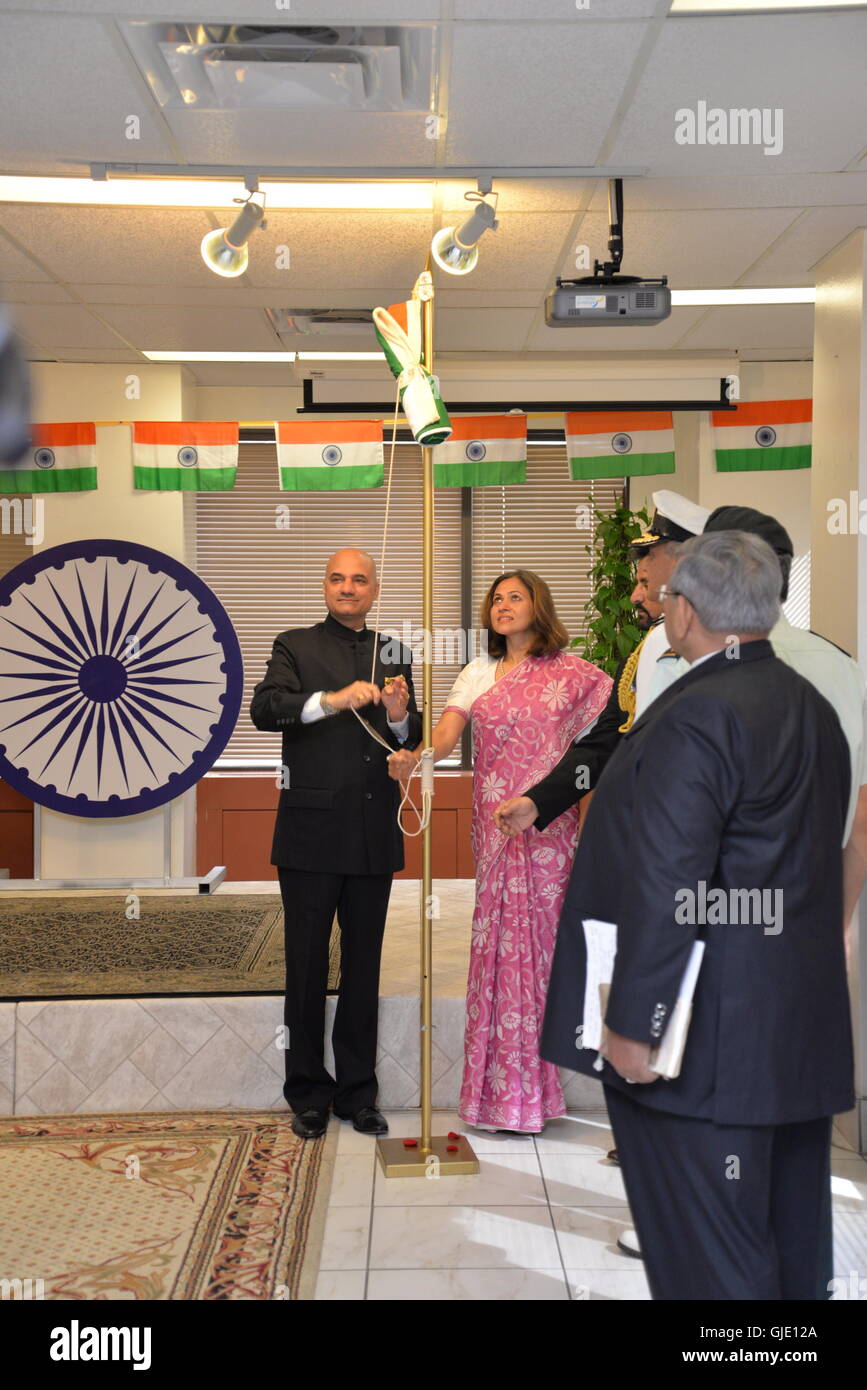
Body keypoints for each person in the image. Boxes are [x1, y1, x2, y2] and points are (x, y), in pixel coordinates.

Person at [541, 531, 854, 1300]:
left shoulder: (697, 714)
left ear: (685, 613)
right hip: (789, 1033)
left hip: (704, 1046)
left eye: (664, 595)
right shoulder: (810, 704)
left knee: (709, 1261)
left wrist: (634, 1023)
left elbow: (667, 882)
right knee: (787, 1249)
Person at [387, 570, 611, 1133]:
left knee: (538, 954)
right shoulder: (477, 672)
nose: (503, 605)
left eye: (515, 597)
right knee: (495, 955)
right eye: (496, 599)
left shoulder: (576, 675)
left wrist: (549, 799)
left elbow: (608, 740)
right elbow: (444, 738)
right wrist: (413, 750)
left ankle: (536, 1093)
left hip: (545, 828)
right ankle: (496, 1097)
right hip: (493, 829)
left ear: (540, 605)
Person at [249, 548, 421, 1140]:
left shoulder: (394, 651)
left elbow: (411, 734)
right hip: (310, 832)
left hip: (374, 833)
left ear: (375, 590)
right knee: (305, 964)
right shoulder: (294, 644)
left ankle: (358, 1092)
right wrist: (334, 699)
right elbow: (265, 709)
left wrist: (399, 717)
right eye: (337, 578)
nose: (348, 588)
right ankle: (307, 1093)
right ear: (324, 586)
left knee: (364, 967)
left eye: (359, 580)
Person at [644, 504, 867, 947]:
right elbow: (860, 818)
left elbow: (656, 814)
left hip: (708, 916)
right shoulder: (845, 668)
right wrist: (829, 930)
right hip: (808, 908)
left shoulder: (683, 666)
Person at [493, 490, 709, 842]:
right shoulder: (642, 656)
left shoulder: (723, 645)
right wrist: (538, 801)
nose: (637, 594)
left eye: (647, 572)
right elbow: (604, 744)